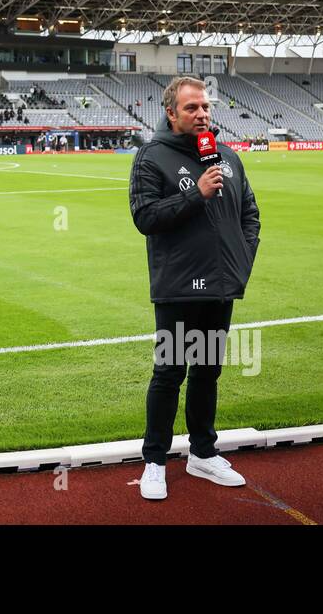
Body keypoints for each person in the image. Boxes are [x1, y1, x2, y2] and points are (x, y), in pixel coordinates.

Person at [129, 76, 260, 501]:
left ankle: (203, 453)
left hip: (220, 286)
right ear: (171, 113)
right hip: (178, 287)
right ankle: (154, 461)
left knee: (208, 372)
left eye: (204, 106)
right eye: (191, 108)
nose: (202, 113)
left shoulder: (227, 156)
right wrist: (197, 195)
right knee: (170, 374)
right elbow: (145, 216)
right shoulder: (152, 157)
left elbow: (250, 215)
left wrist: (242, 260)